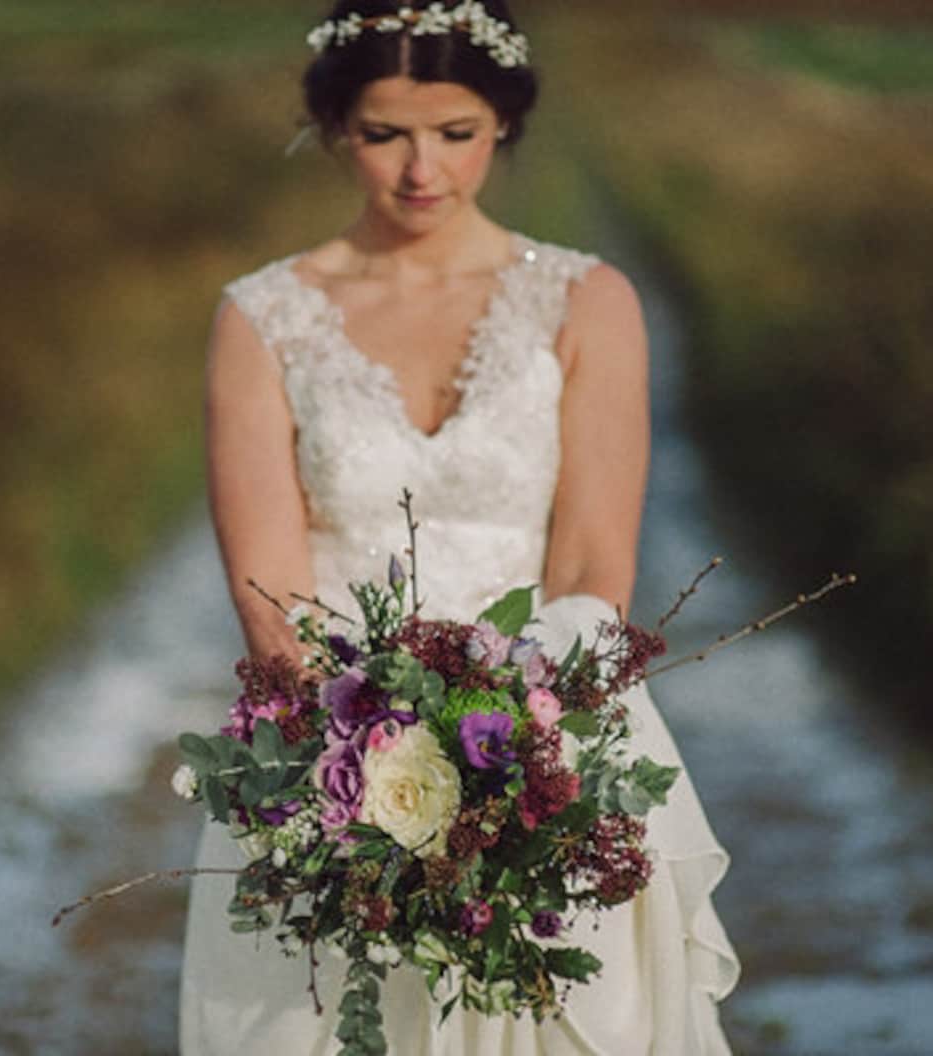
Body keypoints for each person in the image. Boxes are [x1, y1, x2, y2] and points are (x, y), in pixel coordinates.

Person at [180, 2, 740, 1051]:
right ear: (337, 126)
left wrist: (513, 768)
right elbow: (270, 600)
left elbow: (589, 565)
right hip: (326, 752)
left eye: (456, 133)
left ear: (505, 124)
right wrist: (364, 771)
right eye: (385, 133)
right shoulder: (260, 317)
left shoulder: (589, 301)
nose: (420, 171)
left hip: (546, 734)